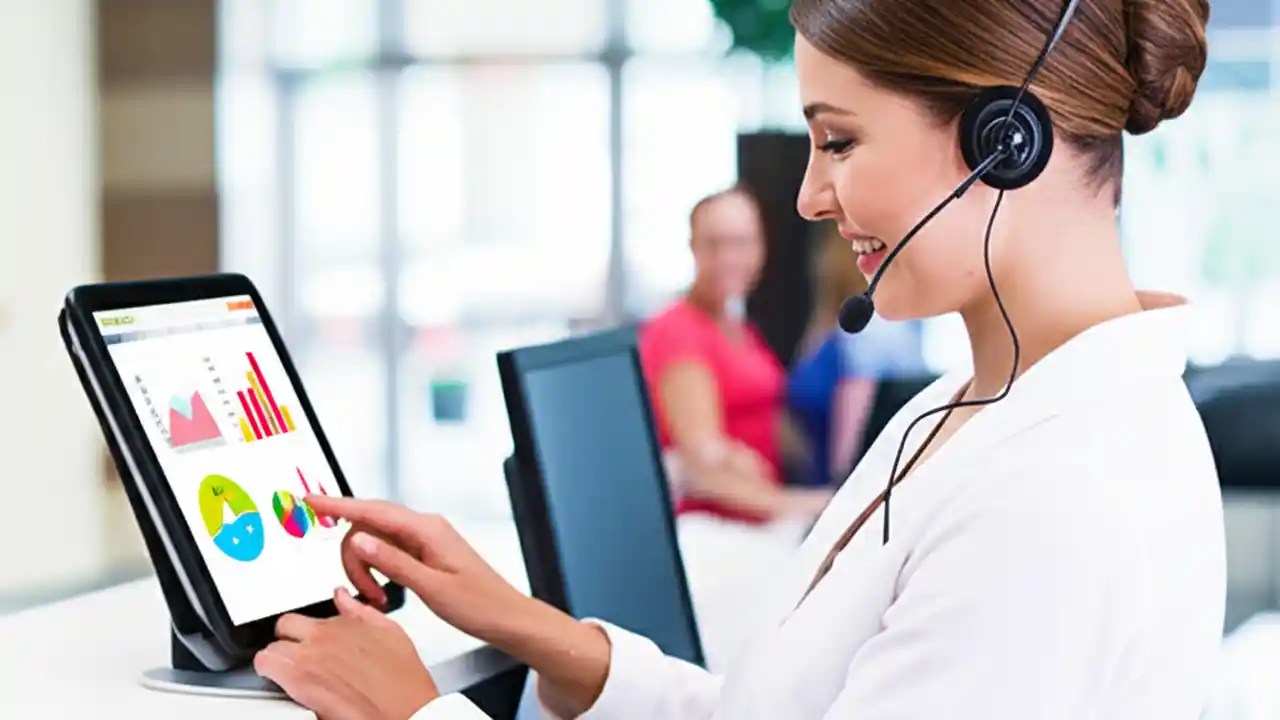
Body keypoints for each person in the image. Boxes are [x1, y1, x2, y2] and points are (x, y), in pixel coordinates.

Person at [255, 1, 1227, 717]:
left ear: (1003, 138)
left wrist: (412, 714)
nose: (807, 196)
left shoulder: (1053, 489)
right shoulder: (969, 408)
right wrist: (542, 633)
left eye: (837, 142)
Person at [636, 186, 830, 522]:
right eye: (714, 244)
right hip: (714, 531)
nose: (728, 258)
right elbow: (702, 465)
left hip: (756, 521)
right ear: (693, 246)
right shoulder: (677, 331)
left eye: (741, 243)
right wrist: (794, 504)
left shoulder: (738, 326)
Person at [787, 222, 929, 486]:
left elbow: (848, 452)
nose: (820, 261)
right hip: (808, 491)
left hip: (833, 495)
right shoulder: (827, 325)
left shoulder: (870, 331)